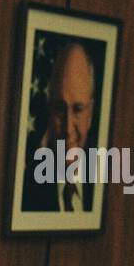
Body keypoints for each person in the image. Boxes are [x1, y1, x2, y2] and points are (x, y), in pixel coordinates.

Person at [21, 39, 97, 212]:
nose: (68, 128)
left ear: (90, 114)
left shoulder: (105, 185)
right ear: (49, 111)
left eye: (78, 109)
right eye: (60, 110)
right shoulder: (27, 191)